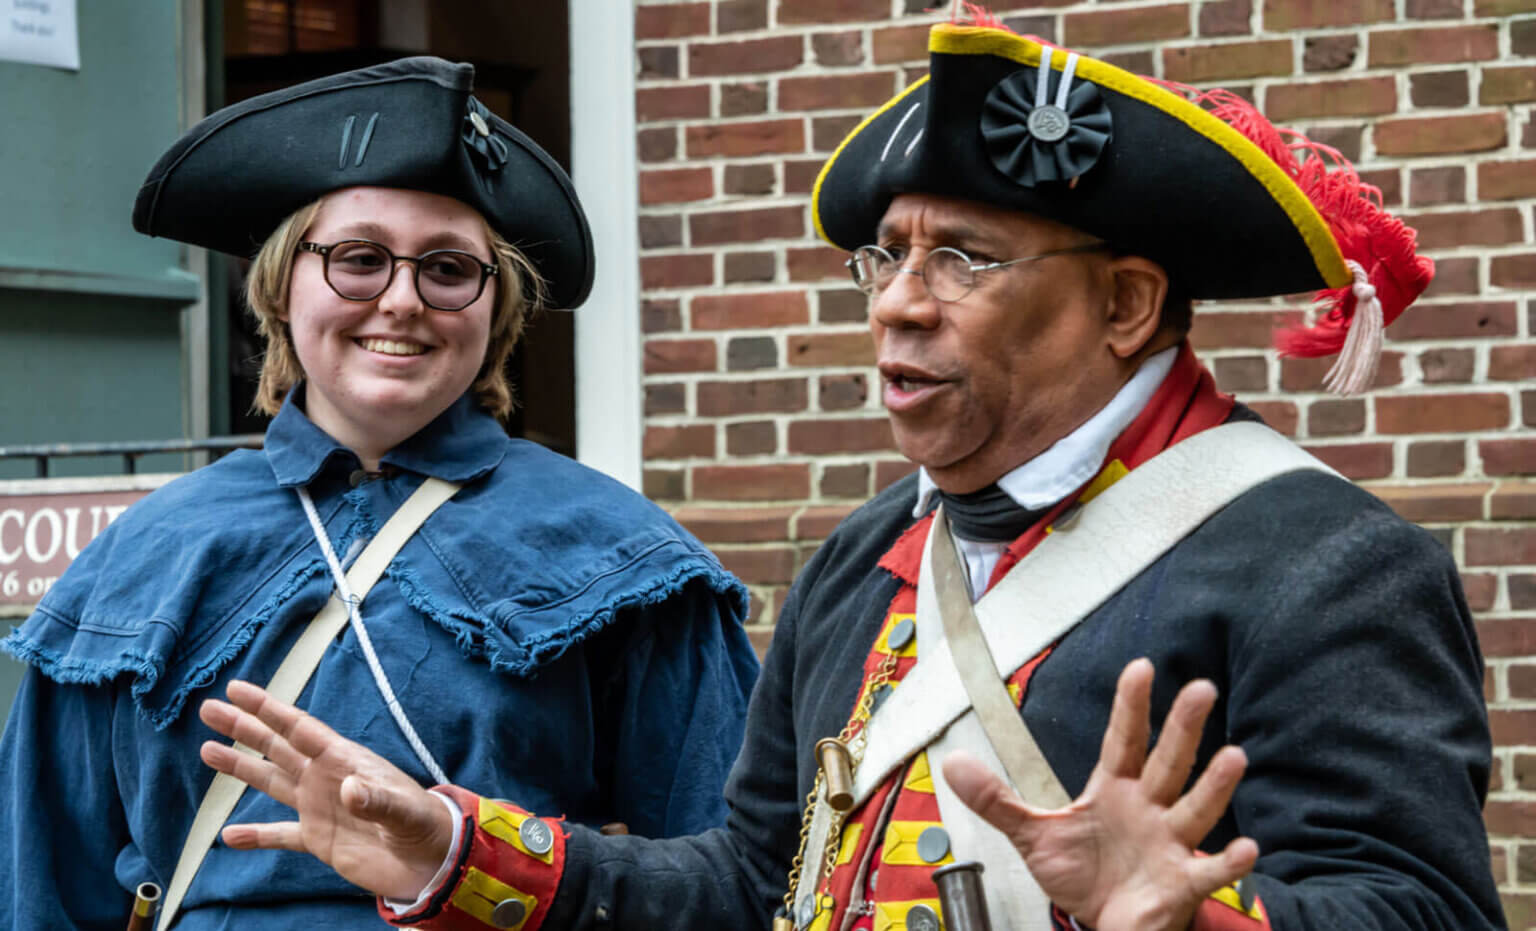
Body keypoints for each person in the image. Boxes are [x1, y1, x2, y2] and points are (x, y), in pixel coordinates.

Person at [192, 15, 1503, 931]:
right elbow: (751, 878)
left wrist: (1198, 914)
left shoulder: (1332, 564)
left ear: (1127, 302)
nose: (898, 307)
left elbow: (1424, 906)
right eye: (887, 256)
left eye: (966, 260)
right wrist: (463, 851)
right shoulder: (863, 555)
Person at [0, 58, 759, 930]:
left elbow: (734, 876)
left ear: (494, 304)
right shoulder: (146, 550)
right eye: (359, 259)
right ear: (284, 285)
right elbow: (36, 885)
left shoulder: (625, 553)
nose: (402, 300)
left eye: (447, 269)